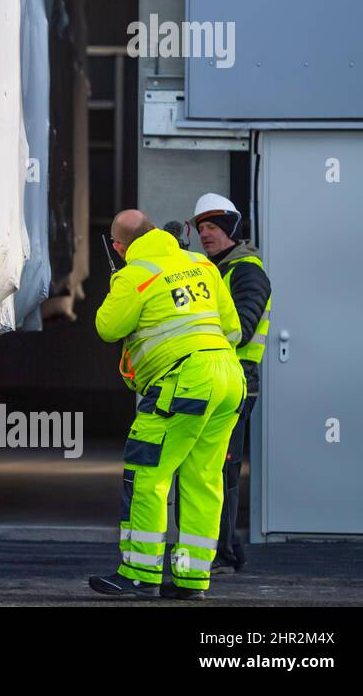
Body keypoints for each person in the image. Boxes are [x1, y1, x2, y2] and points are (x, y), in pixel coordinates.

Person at [89, 210, 245, 600]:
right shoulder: (199, 264)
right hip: (227, 377)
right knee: (204, 480)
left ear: (119, 247)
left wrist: (118, 283)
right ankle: (192, 580)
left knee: (147, 475)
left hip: (184, 382)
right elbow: (234, 328)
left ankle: (140, 573)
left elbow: (108, 327)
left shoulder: (133, 274)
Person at [192, 193, 271, 573]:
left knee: (222, 469)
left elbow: (243, 324)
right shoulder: (213, 270)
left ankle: (221, 552)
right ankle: (227, 548)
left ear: (230, 230)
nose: (204, 234)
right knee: (212, 469)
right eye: (200, 228)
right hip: (217, 380)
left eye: (212, 227)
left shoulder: (246, 271)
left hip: (236, 383)